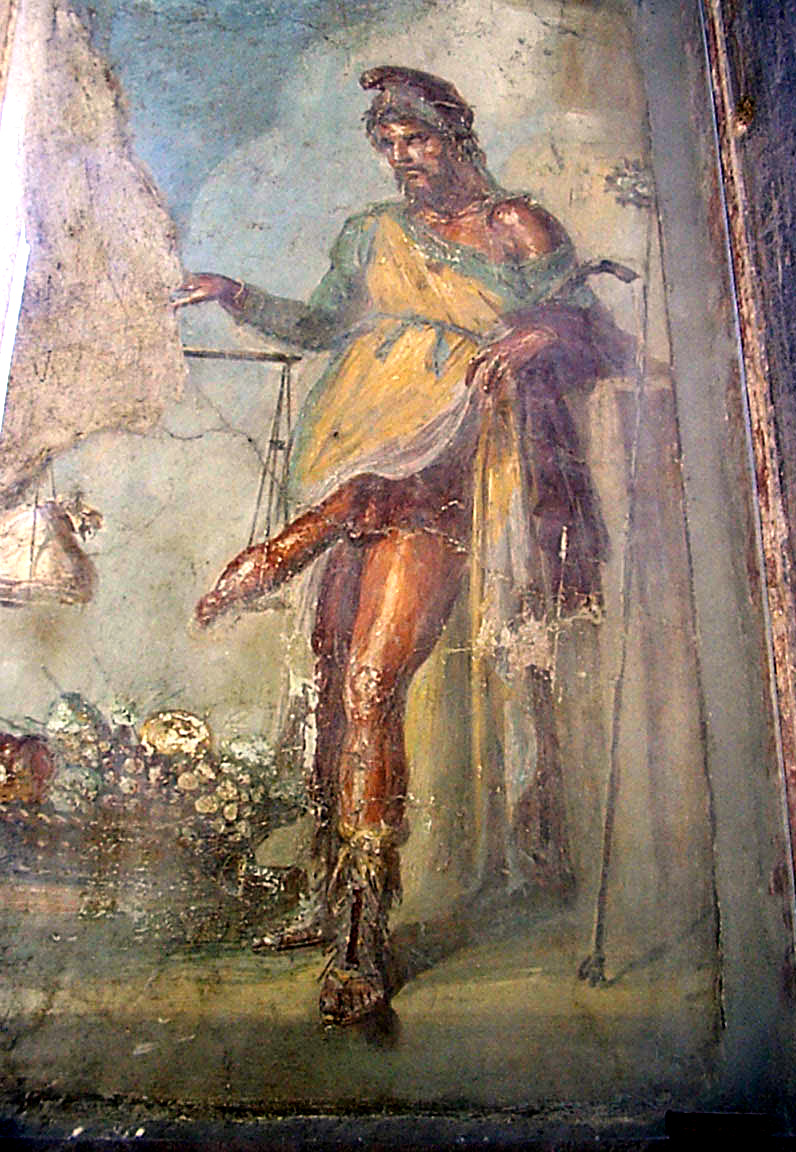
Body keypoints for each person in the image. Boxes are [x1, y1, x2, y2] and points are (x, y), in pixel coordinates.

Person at [174, 66, 632, 1025]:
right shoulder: (370, 234)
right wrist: (231, 292)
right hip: (359, 440)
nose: (402, 159)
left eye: (415, 139)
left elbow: (597, 336)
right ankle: (328, 893)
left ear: (454, 134)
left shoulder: (516, 226)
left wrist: (541, 333)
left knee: (373, 683)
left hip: (458, 466)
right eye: (386, 144)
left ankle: (364, 934)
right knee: (329, 677)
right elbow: (320, 326)